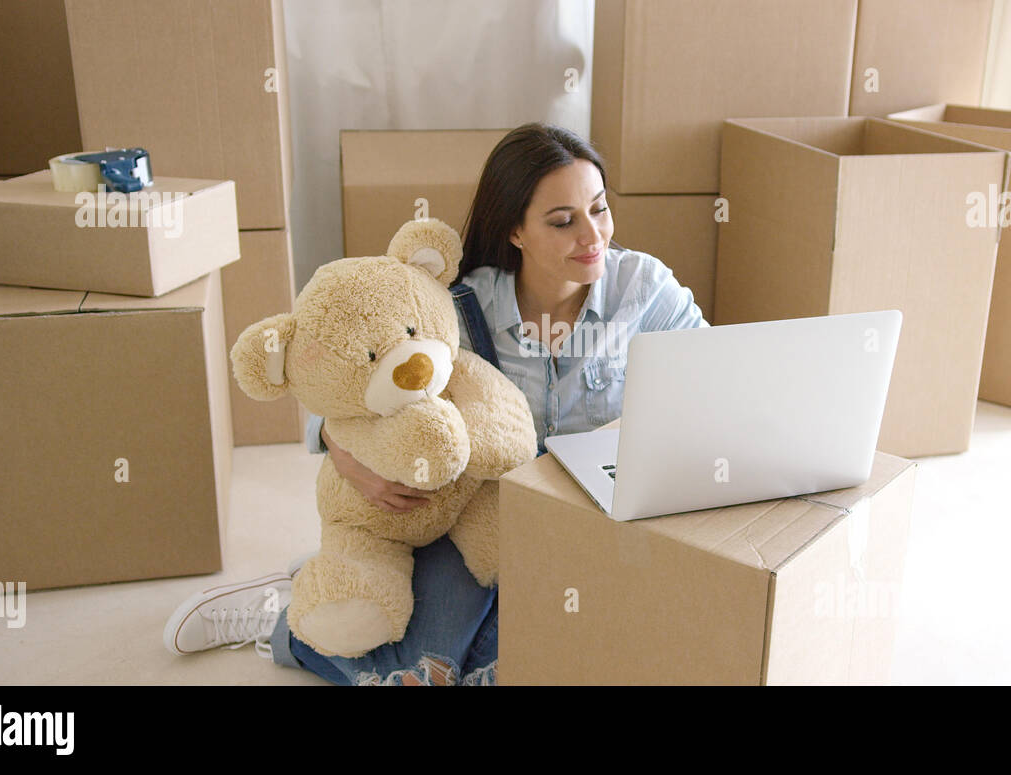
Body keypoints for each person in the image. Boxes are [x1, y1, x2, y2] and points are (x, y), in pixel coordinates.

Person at [163, 122, 707, 684]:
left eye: (599, 209)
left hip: (584, 531)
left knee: (519, 665)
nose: (593, 236)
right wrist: (346, 454)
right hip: (471, 524)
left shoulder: (644, 290)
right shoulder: (462, 303)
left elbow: (715, 376)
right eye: (563, 221)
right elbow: (348, 394)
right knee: (426, 670)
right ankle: (284, 616)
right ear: (515, 230)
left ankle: (321, 600)